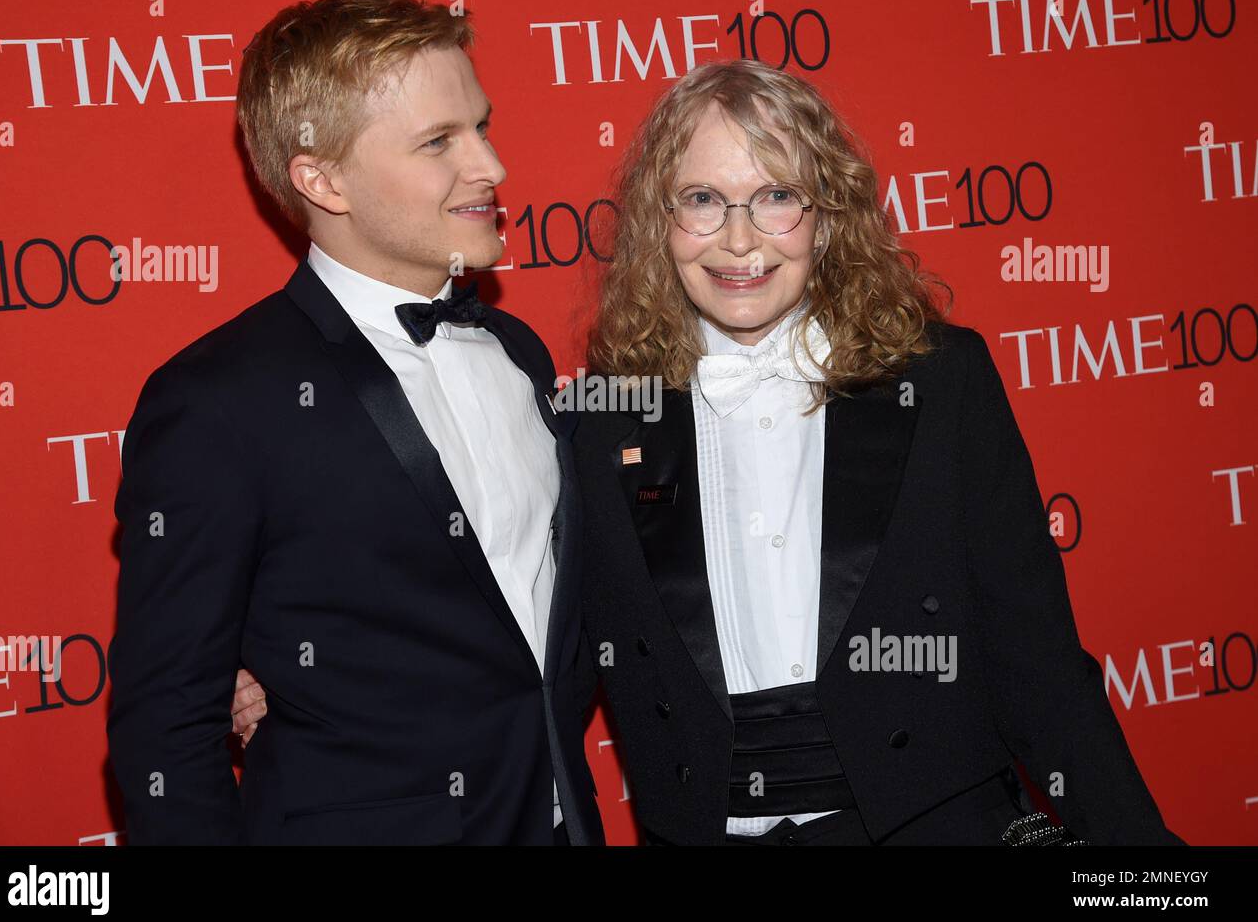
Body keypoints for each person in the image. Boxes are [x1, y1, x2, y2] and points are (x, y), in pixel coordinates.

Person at [233, 58, 1184, 847]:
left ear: (828, 213)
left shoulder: (941, 381)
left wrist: (1151, 872)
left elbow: (1039, 659)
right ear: (661, 219)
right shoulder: (605, 415)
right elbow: (519, 620)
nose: (739, 241)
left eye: (776, 197)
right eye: (703, 200)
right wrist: (303, 670)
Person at [106, 0, 603, 846]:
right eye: (439, 141)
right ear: (321, 178)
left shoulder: (516, 348)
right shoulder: (217, 401)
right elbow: (165, 734)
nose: (490, 166)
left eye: (481, 126)